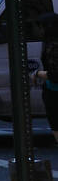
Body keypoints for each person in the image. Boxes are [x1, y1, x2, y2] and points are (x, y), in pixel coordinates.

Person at [32, 13, 58, 144]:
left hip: (54, 93)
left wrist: (37, 74)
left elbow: (55, 75)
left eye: (40, 27)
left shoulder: (52, 46)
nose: (38, 30)